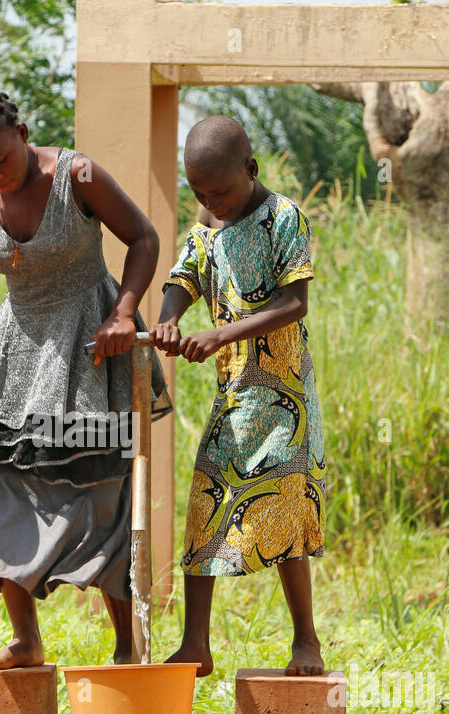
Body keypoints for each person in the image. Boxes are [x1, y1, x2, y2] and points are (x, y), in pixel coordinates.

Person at [0, 87, 172, 672]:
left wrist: (122, 313)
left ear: (24, 134)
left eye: (0, 161)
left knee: (103, 492)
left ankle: (126, 648)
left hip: (92, 350)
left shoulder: (77, 175)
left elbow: (143, 238)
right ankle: (25, 641)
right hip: (18, 358)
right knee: (11, 485)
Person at [151, 115, 327, 678]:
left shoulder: (284, 218)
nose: (213, 203)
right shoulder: (208, 222)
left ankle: (307, 642)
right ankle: (196, 644)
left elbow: (294, 302)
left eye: (222, 191)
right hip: (233, 396)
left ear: (251, 170)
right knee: (207, 503)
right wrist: (169, 321)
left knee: (288, 510)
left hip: (286, 399)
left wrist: (219, 333)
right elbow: (185, 275)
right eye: (200, 193)